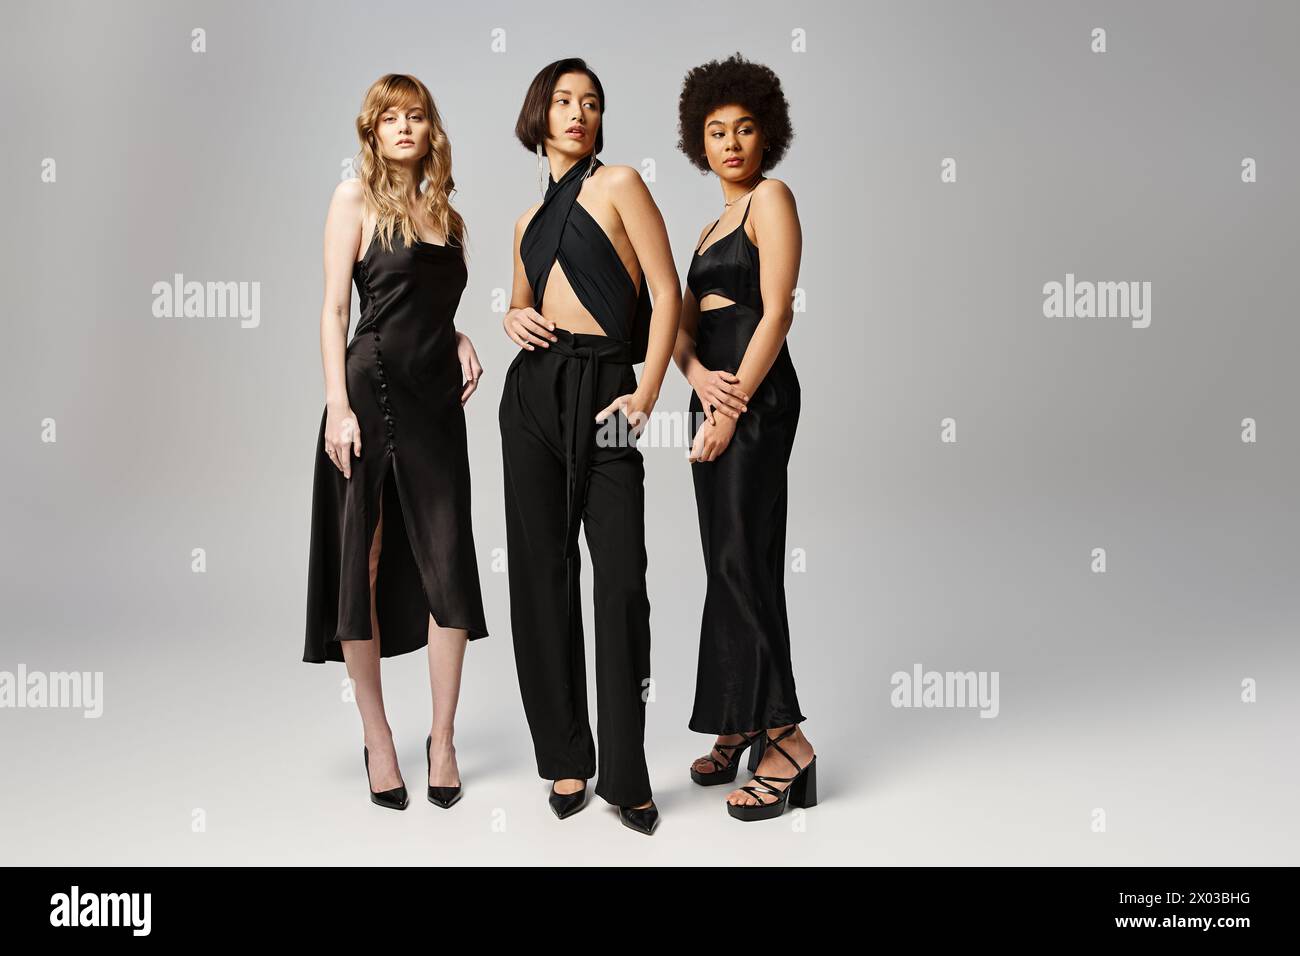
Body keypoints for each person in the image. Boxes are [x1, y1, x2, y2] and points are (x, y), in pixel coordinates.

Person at [498, 58, 681, 835]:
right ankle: (565, 757)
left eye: (593, 103)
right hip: (533, 394)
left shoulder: (621, 185)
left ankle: (627, 773)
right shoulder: (522, 223)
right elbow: (519, 300)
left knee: (622, 581)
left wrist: (646, 395)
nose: (580, 113)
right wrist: (511, 316)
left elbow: (666, 291)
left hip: (609, 387)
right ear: (540, 114)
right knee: (541, 576)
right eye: (566, 101)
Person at [304, 74, 489, 813]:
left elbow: (427, 303)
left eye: (416, 116)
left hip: (436, 401)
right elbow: (335, 306)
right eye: (391, 117)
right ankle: (378, 736)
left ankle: (442, 738)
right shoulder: (354, 199)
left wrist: (463, 334)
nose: (405, 128)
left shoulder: (447, 213)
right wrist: (335, 407)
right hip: (371, 392)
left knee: (448, 560)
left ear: (430, 128)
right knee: (368, 559)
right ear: (372, 130)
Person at [673, 53, 817, 821]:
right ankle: (738, 713)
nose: (731, 143)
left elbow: (778, 312)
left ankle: (787, 741)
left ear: (768, 135)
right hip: (712, 392)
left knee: (741, 554)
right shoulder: (707, 227)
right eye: (716, 131)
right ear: (701, 142)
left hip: (757, 395)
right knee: (723, 556)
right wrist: (695, 380)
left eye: (745, 128)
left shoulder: (771, 199)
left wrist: (730, 409)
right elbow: (683, 331)